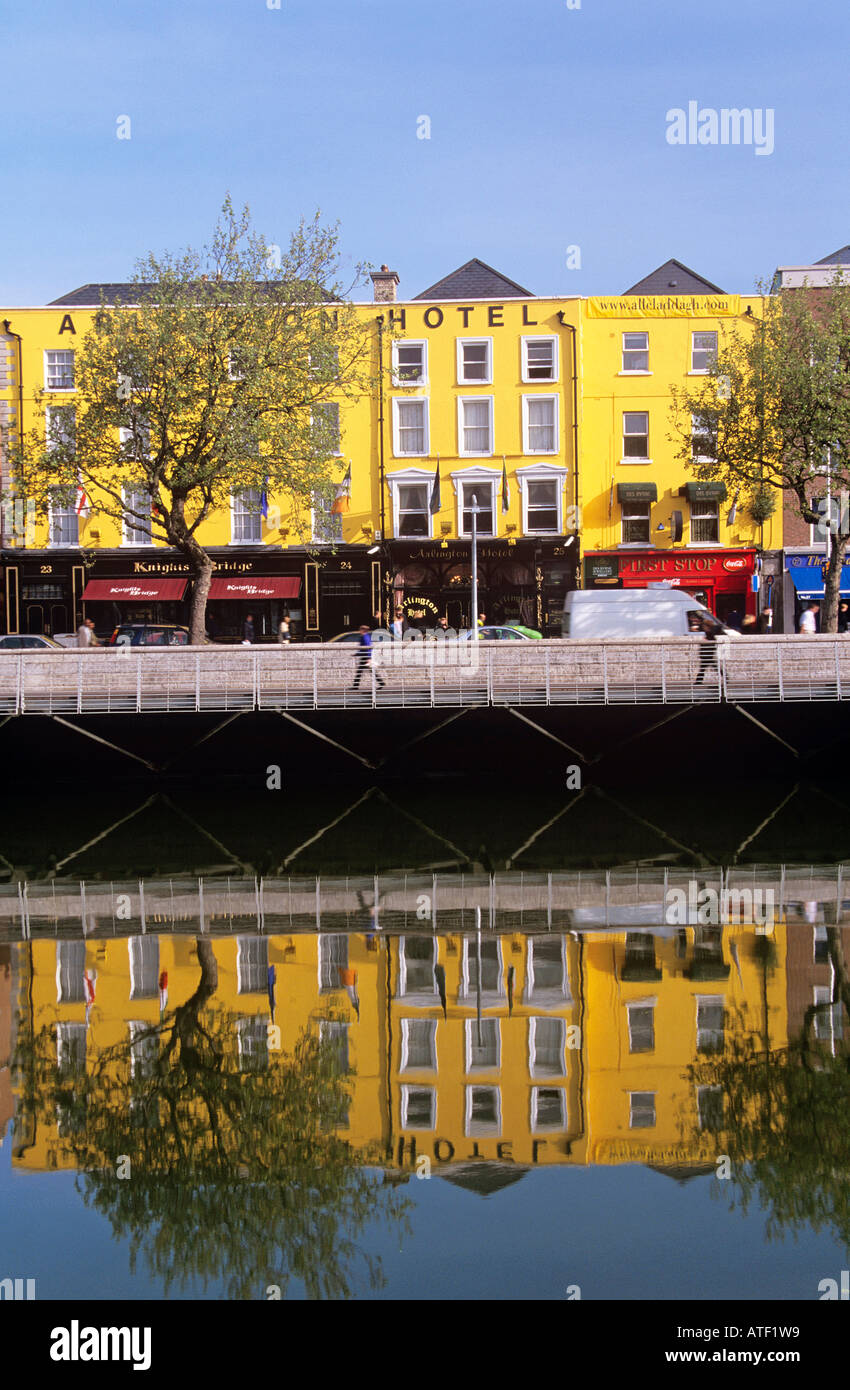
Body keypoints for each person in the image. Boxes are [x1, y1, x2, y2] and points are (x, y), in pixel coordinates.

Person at [351, 624, 385, 690]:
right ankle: (381, 683)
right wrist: (357, 654)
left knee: (360, 671)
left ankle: (355, 686)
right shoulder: (366, 636)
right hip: (365, 656)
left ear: (363, 630)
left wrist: (368, 658)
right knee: (364, 671)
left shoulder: (365, 637)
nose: (359, 631)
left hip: (366, 657)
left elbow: (368, 647)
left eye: (360, 630)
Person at [694, 617, 719, 686]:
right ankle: (698, 681)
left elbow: (712, 641)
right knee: (707, 667)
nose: (703, 627)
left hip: (708, 653)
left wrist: (705, 642)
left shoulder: (709, 633)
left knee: (704, 668)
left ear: (707, 626)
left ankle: (698, 682)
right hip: (707, 653)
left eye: (704, 626)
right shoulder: (708, 633)